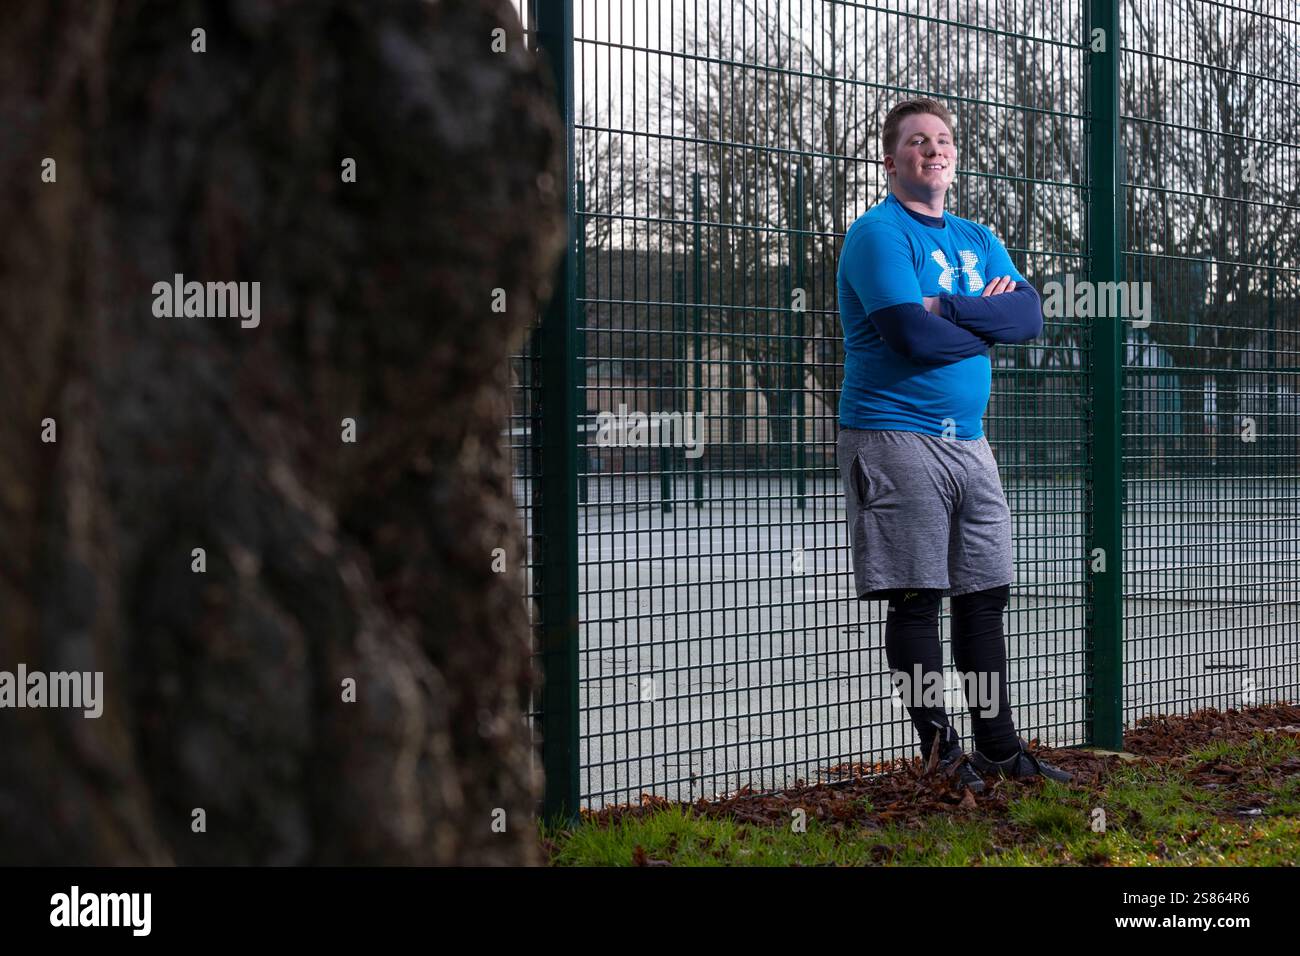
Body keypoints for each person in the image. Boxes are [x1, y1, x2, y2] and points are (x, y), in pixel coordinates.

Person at [836, 97, 1072, 793]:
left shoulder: (977, 235)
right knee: (917, 598)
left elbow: (1028, 316)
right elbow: (910, 335)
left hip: (970, 443)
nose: (931, 150)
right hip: (892, 434)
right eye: (915, 141)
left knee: (985, 593)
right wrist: (981, 322)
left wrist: (950, 308)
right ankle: (943, 758)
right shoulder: (878, 235)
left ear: (954, 157)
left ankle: (999, 752)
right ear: (891, 158)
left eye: (941, 141)